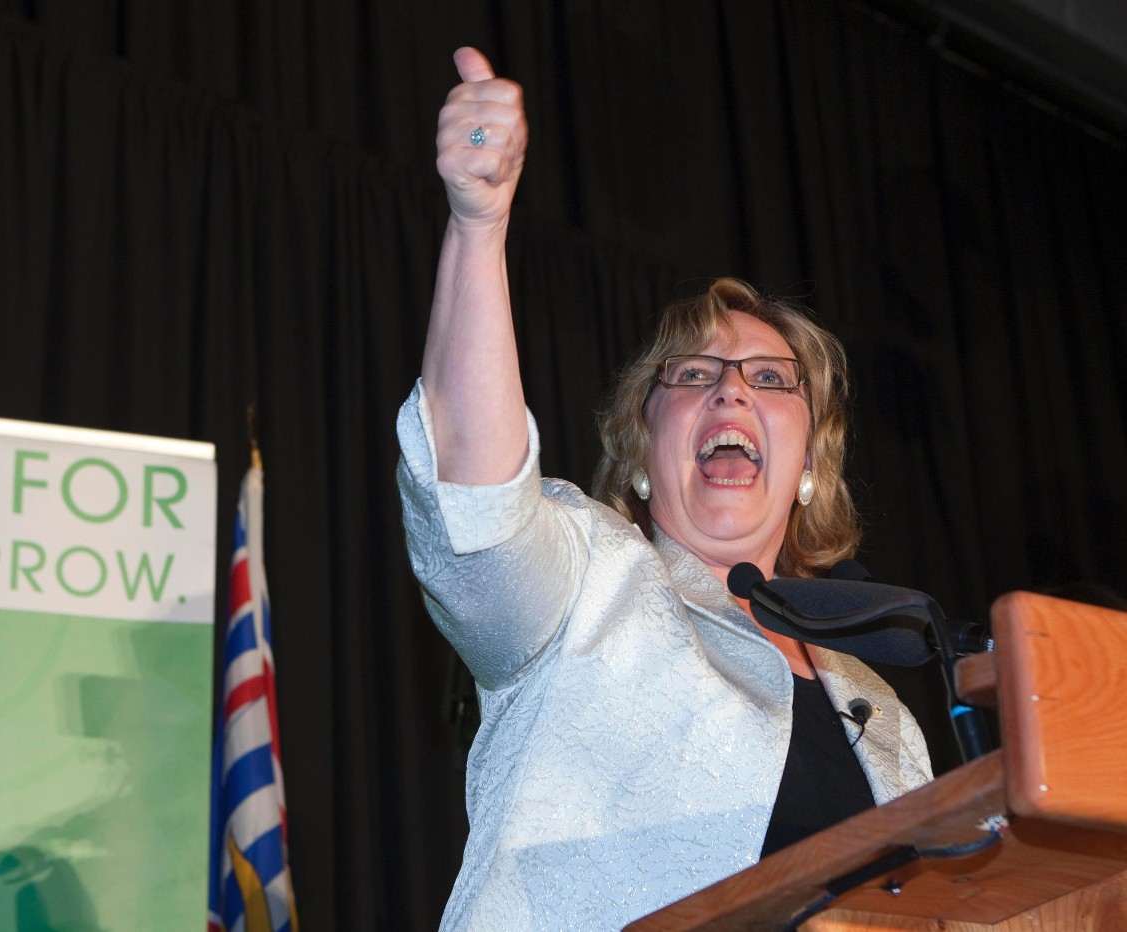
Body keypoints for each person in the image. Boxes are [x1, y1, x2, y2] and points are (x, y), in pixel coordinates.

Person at [396, 48, 932, 929]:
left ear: (807, 469)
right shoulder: (584, 586)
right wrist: (477, 225)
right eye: (693, 375)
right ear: (641, 456)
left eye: (771, 379)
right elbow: (475, 509)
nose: (730, 391)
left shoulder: (883, 716)